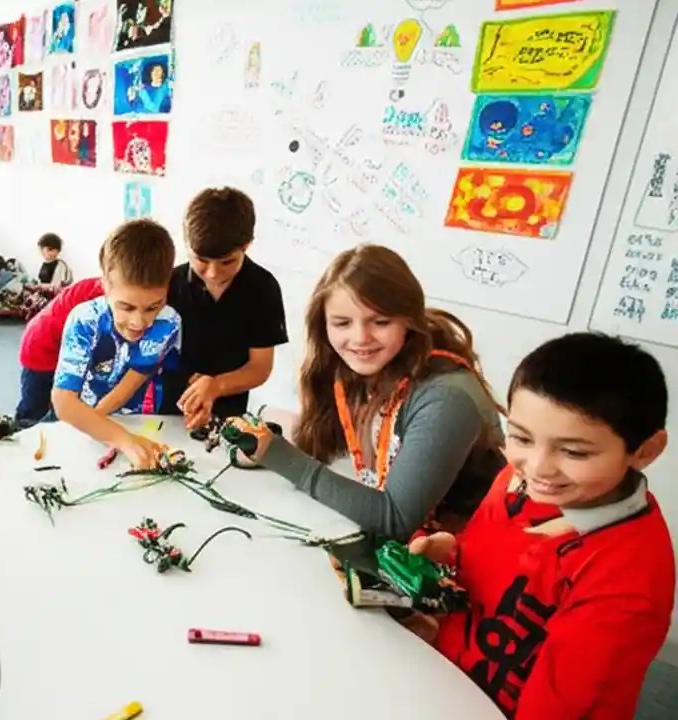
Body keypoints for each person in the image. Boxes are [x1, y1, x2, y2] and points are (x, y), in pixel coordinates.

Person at [411, 333, 673, 719]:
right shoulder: (518, 481)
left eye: (573, 451)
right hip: (440, 679)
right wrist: (448, 552)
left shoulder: (628, 581)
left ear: (645, 451)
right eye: (521, 437)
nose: (538, 467)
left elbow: (555, 708)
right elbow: (489, 564)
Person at [235, 245, 504, 539]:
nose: (360, 338)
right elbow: (336, 441)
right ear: (323, 325)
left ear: (409, 320)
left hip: (469, 552)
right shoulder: (363, 367)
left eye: (380, 322)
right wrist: (265, 436)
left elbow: (394, 519)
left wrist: (277, 455)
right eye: (342, 323)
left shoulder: (446, 398)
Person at [51, 219, 181, 469]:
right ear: (105, 286)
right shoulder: (85, 320)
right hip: (85, 422)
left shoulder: (168, 321)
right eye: (127, 307)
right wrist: (112, 435)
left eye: (153, 307)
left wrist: (122, 437)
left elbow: (134, 380)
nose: (139, 322)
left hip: (140, 423)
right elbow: (64, 402)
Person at [161, 187, 287, 429]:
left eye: (227, 262)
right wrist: (193, 383)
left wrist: (216, 385)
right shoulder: (168, 283)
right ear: (186, 244)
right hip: (166, 409)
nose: (213, 273)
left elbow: (260, 367)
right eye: (201, 260)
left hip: (229, 413)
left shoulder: (263, 288)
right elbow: (150, 347)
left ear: (246, 246)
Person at [14, 277, 105, 426]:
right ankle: (18, 431)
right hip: (42, 347)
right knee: (34, 411)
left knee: (52, 409)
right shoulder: (101, 298)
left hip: (52, 340)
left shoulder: (103, 286)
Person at [0, 233, 74, 323]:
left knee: (35, 300)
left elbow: (57, 288)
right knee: (24, 291)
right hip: (43, 293)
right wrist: (34, 285)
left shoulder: (61, 266)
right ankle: (15, 303)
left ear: (57, 250)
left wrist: (40, 287)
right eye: (45, 249)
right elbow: (41, 281)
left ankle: (20, 309)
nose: (48, 252)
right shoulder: (44, 264)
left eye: (51, 250)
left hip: (53, 298)